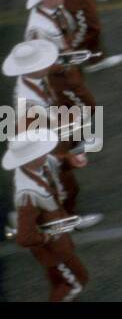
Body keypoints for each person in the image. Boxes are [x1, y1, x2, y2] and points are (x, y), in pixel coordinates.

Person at [4, 128, 90, 302]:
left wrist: (72, 161)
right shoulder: (28, 194)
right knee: (76, 281)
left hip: (57, 241)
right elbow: (25, 237)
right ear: (31, 158)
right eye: (41, 151)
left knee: (61, 283)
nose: (47, 152)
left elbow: (58, 162)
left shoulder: (40, 164)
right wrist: (48, 237)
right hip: (53, 249)